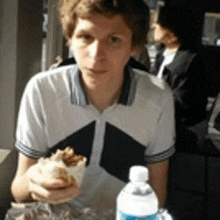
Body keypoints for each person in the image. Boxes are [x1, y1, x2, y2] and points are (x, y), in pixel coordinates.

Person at [11, 0, 175, 211]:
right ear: (70, 38)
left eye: (113, 40)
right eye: (85, 37)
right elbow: (18, 191)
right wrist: (32, 181)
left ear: (134, 46)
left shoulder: (158, 98)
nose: (96, 55)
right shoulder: (42, 91)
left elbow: (157, 192)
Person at [151, 6, 209, 219]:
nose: (153, 25)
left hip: (186, 127)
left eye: (158, 23)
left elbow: (183, 108)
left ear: (172, 29)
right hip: (166, 120)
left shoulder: (189, 60)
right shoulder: (162, 54)